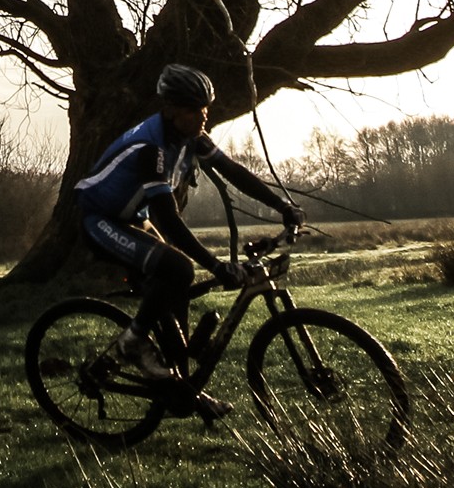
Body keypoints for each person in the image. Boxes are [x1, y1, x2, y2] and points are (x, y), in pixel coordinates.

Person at [73, 63, 303, 416]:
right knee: (178, 268)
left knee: (177, 292)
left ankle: (183, 390)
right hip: (99, 218)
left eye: (206, 108)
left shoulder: (189, 137)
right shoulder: (152, 148)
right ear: (171, 110)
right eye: (194, 109)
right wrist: (214, 264)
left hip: (131, 219)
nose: (203, 116)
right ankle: (132, 343)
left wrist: (282, 205)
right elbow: (168, 217)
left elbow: (234, 173)